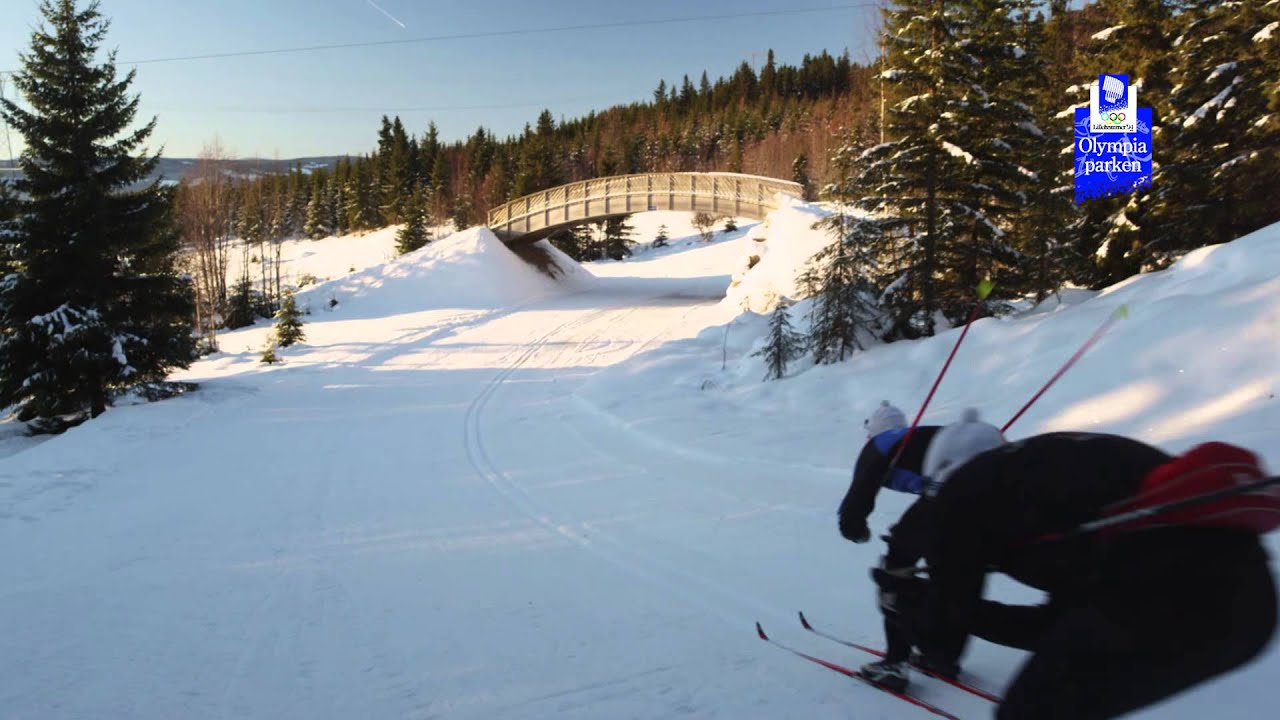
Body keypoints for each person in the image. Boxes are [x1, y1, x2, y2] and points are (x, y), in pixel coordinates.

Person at [887, 415, 1278, 719]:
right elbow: (1053, 627)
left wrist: (912, 605)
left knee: (1031, 710)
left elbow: (944, 632)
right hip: (1251, 609)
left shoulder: (963, 496)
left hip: (1166, 594)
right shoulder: (1054, 478)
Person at [835, 400, 942, 692]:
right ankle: (941, 655)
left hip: (946, 500)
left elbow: (858, 497)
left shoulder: (881, 444)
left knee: (895, 571)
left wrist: (855, 529)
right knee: (949, 572)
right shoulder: (923, 439)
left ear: (874, 432)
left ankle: (895, 665)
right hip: (987, 499)